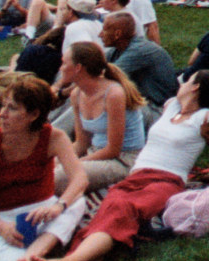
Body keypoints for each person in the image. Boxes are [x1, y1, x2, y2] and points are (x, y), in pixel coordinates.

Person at [19, 71, 209, 261]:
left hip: (165, 181)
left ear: (195, 86)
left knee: (123, 209)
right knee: (107, 211)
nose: (182, 83)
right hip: (136, 175)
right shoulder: (171, 106)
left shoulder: (206, 119)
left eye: (187, 80)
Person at [0, 74, 91, 261]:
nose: (2, 114)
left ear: (33, 115)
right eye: (3, 106)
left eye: (12, 108)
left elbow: (79, 179)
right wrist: (2, 228)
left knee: (77, 202)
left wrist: (58, 206)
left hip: (40, 211)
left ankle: (30, 259)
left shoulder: (54, 137)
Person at [59, 42, 148, 191]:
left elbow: (113, 149)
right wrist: (60, 158)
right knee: (48, 166)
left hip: (123, 160)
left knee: (60, 176)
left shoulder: (114, 94)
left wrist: (73, 162)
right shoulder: (77, 94)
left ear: (78, 68)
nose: (60, 68)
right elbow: (81, 143)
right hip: (96, 154)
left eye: (64, 63)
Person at [101, 11, 177, 109]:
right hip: (145, 103)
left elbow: (105, 77)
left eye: (104, 30)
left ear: (117, 34)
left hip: (159, 108)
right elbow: (97, 69)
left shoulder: (139, 50)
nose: (100, 35)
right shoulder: (117, 50)